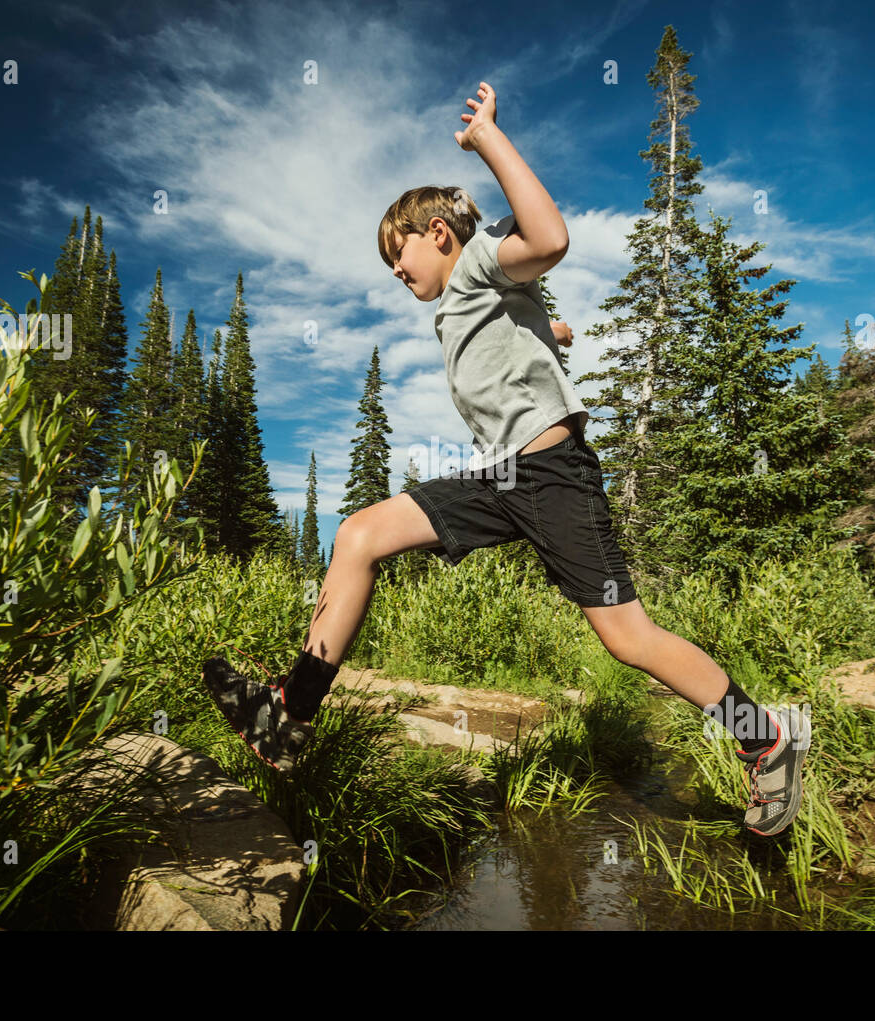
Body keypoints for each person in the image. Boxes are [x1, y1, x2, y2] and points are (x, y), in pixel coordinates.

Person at [203, 81, 810, 836]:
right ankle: (290, 716)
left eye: (400, 253)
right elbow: (509, 332)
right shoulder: (467, 299)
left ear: (438, 232)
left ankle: (768, 739)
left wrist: (487, 138)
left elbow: (549, 238)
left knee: (627, 638)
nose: (395, 271)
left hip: (552, 475)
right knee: (358, 534)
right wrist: (546, 331)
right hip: (499, 478)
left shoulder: (483, 256)